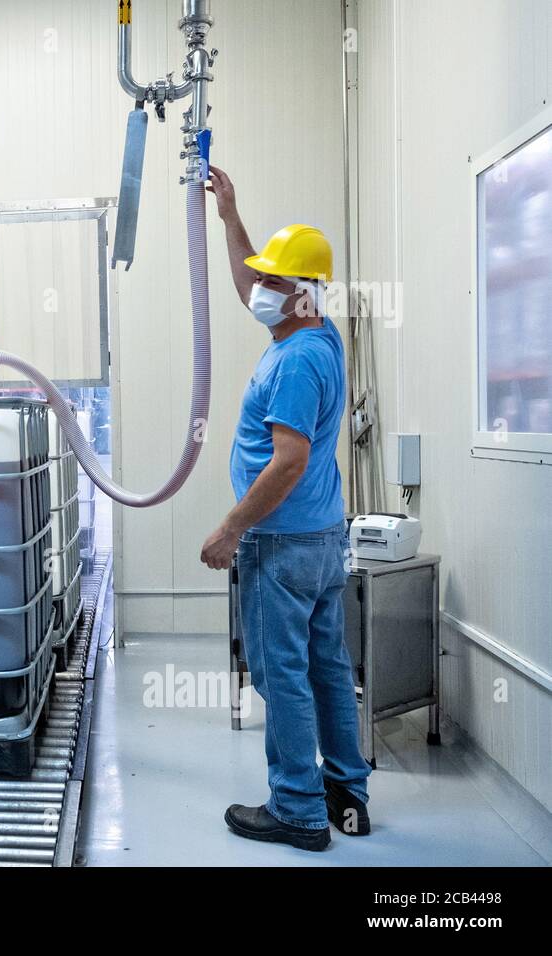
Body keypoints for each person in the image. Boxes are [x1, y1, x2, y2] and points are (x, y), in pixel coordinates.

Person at [199, 166, 371, 851]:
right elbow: (249, 287)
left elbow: (290, 461)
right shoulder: (317, 332)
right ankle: (346, 793)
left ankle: (298, 809)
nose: (260, 290)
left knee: (281, 674)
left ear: (301, 292)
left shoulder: (296, 362)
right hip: (323, 538)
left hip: (282, 543)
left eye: (274, 281)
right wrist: (230, 216)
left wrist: (230, 528)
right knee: (327, 665)